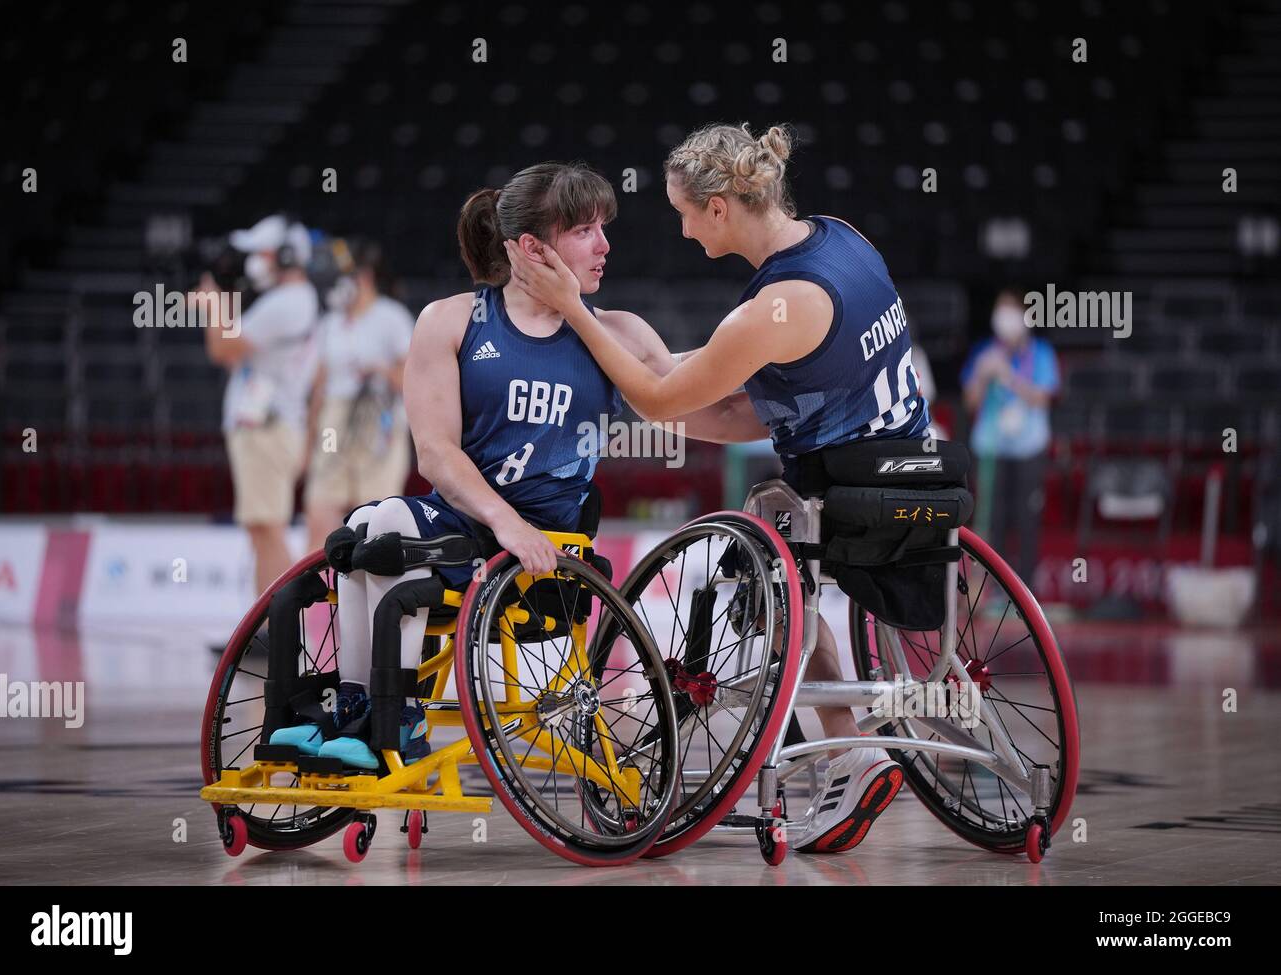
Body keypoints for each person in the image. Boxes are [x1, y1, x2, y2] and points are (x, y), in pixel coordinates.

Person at [505, 122, 931, 854]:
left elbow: (664, 401)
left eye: (683, 211)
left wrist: (577, 313)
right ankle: (849, 747)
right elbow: (742, 397)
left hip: (847, 502)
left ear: (720, 209)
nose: (680, 227)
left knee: (766, 560)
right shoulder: (843, 236)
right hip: (920, 470)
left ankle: (849, 750)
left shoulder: (771, 309)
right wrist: (639, 366)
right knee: (717, 430)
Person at [270, 161, 724, 769]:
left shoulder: (619, 332)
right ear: (532, 248)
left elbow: (703, 405)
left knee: (385, 531)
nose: (604, 244)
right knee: (364, 532)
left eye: (602, 227)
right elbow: (436, 452)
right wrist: (503, 522)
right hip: (465, 526)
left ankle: (384, 717)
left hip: (549, 552)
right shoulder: (451, 320)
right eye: (585, 229)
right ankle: (365, 711)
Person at [203, 215, 318, 598]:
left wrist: (213, 303)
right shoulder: (288, 301)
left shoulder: (288, 302)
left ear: (285, 256)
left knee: (268, 529)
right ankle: (264, 630)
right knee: (261, 529)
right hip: (265, 426)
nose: (255, 262)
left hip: (267, 428)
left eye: (262, 253)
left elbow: (223, 348)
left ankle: (283, 627)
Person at [303, 239, 415, 554]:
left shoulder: (392, 317)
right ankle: (313, 601)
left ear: (362, 277)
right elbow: (319, 385)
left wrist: (380, 370)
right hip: (334, 422)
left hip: (377, 421)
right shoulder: (330, 323)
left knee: (373, 517)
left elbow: (412, 377)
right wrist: (310, 437)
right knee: (320, 510)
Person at [960, 288, 1060, 586]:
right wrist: (982, 373)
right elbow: (970, 403)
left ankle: (1026, 590)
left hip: (1028, 447)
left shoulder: (1041, 352)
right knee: (993, 517)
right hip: (992, 445)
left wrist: (1008, 377)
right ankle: (992, 589)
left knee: (1026, 517)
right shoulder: (985, 352)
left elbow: (1043, 398)